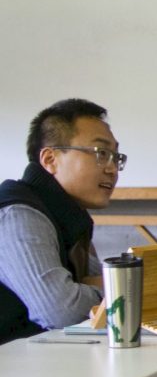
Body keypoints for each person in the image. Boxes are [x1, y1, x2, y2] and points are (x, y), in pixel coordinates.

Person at [0, 99, 122, 344]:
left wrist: (113, 289)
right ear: (50, 159)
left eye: (116, 157)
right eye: (101, 154)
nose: (112, 168)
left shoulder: (69, 216)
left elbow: (98, 282)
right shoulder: (20, 214)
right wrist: (125, 292)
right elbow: (61, 310)